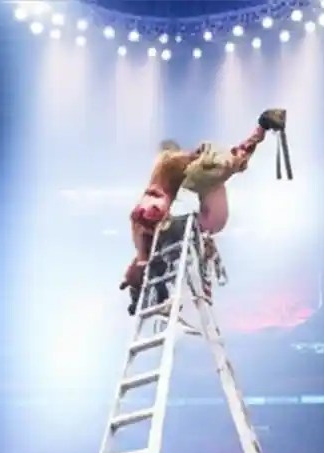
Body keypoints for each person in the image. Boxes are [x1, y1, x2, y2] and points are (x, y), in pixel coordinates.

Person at [121, 109, 288, 315]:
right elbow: (234, 159)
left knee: (152, 251)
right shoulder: (173, 171)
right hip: (165, 220)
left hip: (169, 219)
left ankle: (150, 292)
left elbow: (232, 160)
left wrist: (260, 129)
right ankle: (151, 293)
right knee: (152, 251)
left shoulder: (180, 171)